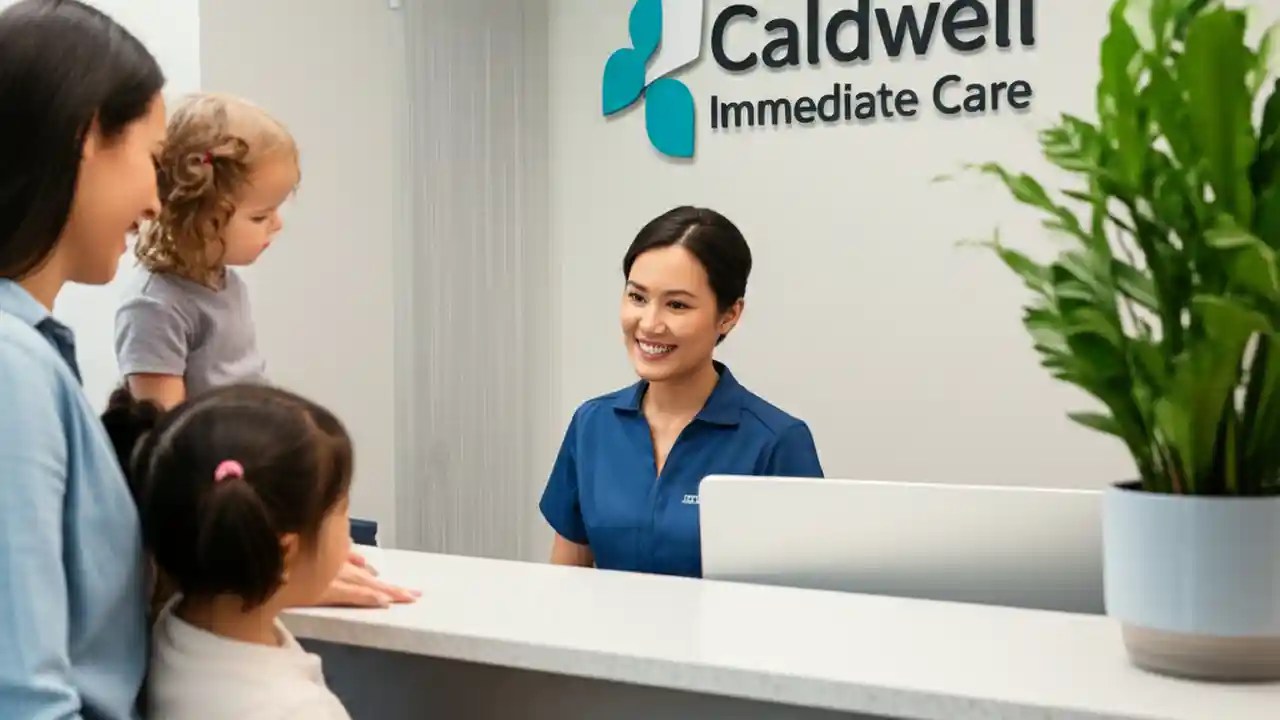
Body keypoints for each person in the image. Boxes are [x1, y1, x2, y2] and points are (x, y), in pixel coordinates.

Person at [113, 92, 414, 608]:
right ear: (200, 215)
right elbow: (173, 450)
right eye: (260, 216)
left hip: (253, 476)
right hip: (214, 510)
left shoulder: (227, 284)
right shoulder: (155, 308)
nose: (276, 225)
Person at [0, 1, 166, 717]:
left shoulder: (33, 353)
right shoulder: (11, 369)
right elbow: (23, 695)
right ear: (87, 133)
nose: (158, 201)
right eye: (153, 161)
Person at [540, 206, 824, 578]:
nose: (649, 324)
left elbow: (808, 603)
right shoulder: (592, 425)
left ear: (729, 315)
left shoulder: (776, 443)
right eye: (637, 297)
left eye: (677, 305)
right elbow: (565, 584)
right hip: (602, 639)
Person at [103, 384, 355, 720]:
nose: (348, 524)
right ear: (286, 552)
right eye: (342, 508)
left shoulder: (171, 627)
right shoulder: (297, 710)